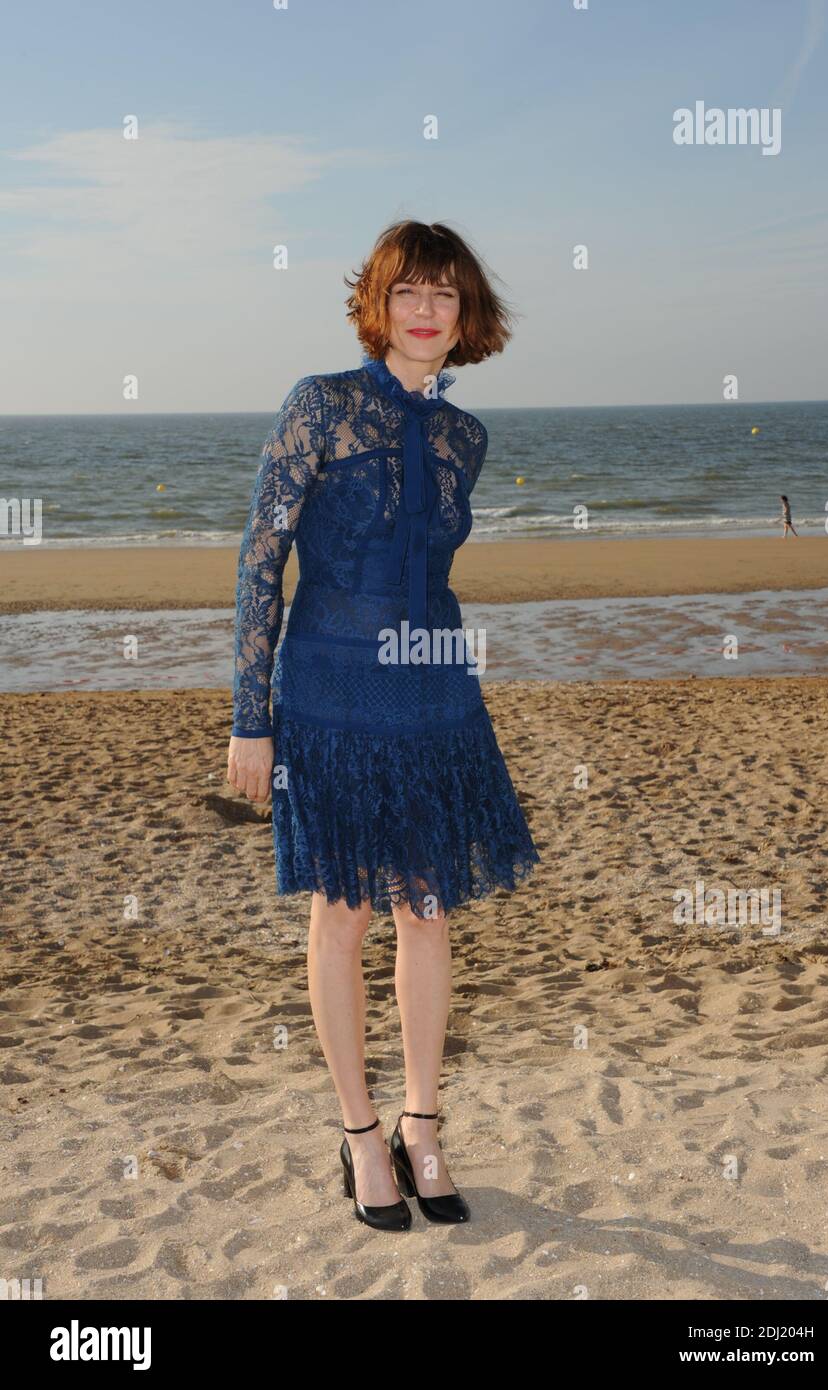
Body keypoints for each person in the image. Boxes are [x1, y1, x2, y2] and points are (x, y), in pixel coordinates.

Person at [226, 220, 540, 1231]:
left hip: (436, 692)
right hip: (325, 690)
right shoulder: (319, 405)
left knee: (428, 906)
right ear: (378, 301)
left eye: (446, 295)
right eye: (409, 290)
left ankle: (422, 1122)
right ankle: (360, 1134)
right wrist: (250, 717)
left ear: (467, 317)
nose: (426, 310)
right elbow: (260, 560)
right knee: (344, 911)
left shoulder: (465, 437)